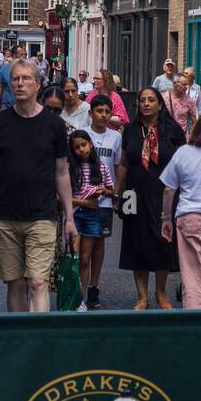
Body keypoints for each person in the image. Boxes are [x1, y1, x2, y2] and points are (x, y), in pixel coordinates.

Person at [0, 58, 77, 312]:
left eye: (26, 78)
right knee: (15, 284)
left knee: (38, 281)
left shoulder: (54, 125)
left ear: (38, 85)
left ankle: (37, 344)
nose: (19, 83)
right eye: (15, 79)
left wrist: (69, 217)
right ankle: (21, 343)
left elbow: (62, 172)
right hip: (6, 216)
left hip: (42, 216)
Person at [115, 87, 185, 309]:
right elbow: (124, 163)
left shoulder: (172, 129)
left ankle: (161, 293)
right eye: (142, 100)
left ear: (160, 104)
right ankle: (142, 296)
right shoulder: (130, 131)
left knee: (163, 241)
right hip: (133, 192)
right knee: (137, 241)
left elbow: (182, 162)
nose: (146, 104)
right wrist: (118, 192)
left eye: (151, 100)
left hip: (164, 192)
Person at [160, 111, 201, 309]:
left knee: (192, 273)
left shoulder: (183, 153)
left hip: (188, 216)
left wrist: (166, 218)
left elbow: (169, 189)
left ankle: (197, 322)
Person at [68, 130, 114, 311]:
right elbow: (60, 195)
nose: (81, 150)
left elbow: (110, 189)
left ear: (90, 144)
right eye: (76, 147)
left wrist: (102, 191)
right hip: (75, 213)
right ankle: (71, 294)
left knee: (86, 259)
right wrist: (82, 201)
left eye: (84, 145)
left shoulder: (101, 166)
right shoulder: (70, 167)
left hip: (93, 214)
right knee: (75, 257)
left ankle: (81, 297)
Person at [84, 94, 121, 308]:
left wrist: (117, 194)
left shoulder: (115, 137)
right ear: (91, 113)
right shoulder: (83, 134)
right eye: (99, 111)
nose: (104, 116)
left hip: (105, 199)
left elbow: (118, 167)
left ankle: (94, 287)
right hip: (83, 199)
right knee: (83, 248)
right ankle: (80, 285)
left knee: (99, 244)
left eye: (107, 112)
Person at [163, 75, 201, 140]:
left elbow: (194, 121)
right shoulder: (164, 98)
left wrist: (192, 136)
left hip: (182, 137)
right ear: (174, 84)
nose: (186, 87)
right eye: (184, 84)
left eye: (187, 85)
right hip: (166, 136)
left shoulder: (189, 100)